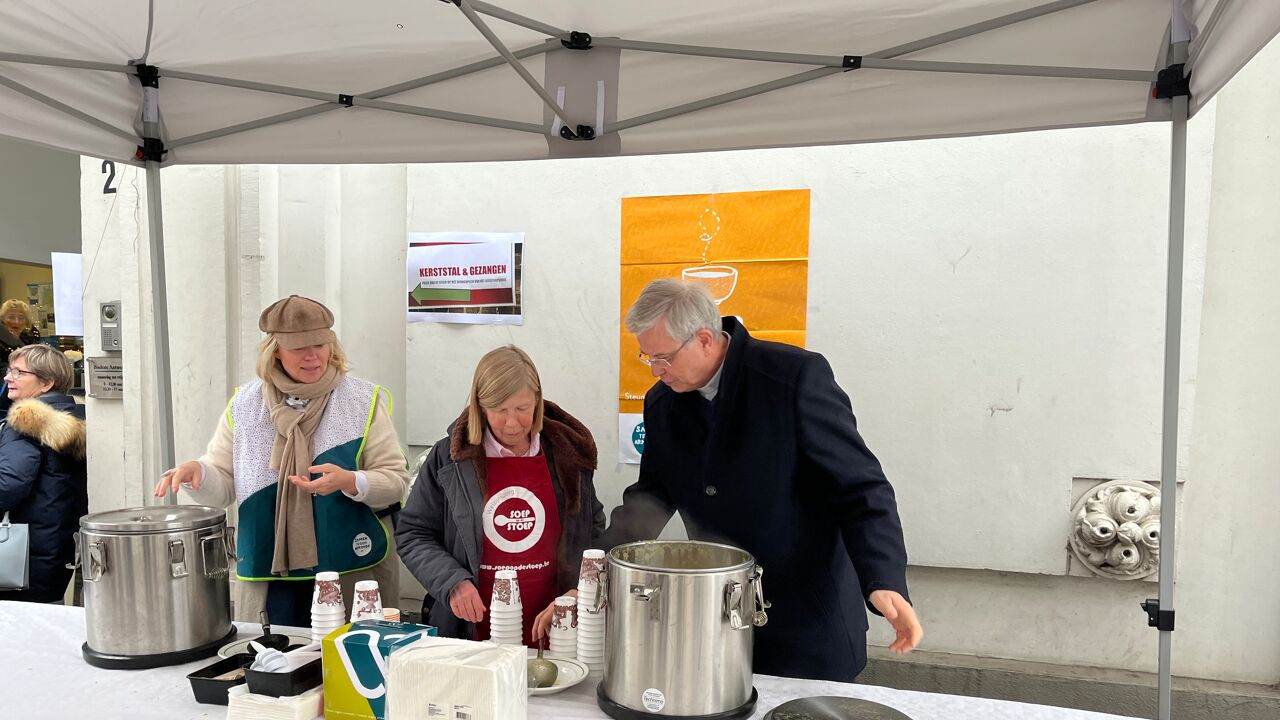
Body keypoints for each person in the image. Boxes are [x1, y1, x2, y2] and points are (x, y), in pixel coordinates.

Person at [602, 278, 923, 682]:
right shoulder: (662, 403)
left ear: (704, 339)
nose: (655, 371)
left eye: (663, 358)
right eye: (647, 358)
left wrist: (883, 578)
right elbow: (650, 497)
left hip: (807, 620)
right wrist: (595, 566)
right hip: (718, 620)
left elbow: (860, 489)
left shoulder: (792, 379)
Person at [154, 295, 409, 625]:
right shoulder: (245, 405)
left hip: (350, 566)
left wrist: (351, 481)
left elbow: (395, 482)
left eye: (320, 344)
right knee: (273, 654)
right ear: (275, 351)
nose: (312, 355)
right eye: (299, 347)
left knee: (349, 655)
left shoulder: (362, 401)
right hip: (270, 573)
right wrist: (199, 474)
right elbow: (224, 483)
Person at [396, 345, 604, 646]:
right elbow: (413, 533)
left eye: (522, 409)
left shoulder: (567, 455)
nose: (512, 423)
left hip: (556, 631)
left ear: (538, 401)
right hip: (471, 632)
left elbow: (592, 535)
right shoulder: (450, 459)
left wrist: (576, 591)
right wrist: (452, 583)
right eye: (500, 411)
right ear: (480, 406)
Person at [0, 344, 86, 603]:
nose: (8, 377)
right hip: (57, 547)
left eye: (19, 372)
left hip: (22, 556)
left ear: (46, 383)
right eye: (9, 370)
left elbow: (9, 484)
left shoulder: (25, 422)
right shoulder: (76, 419)